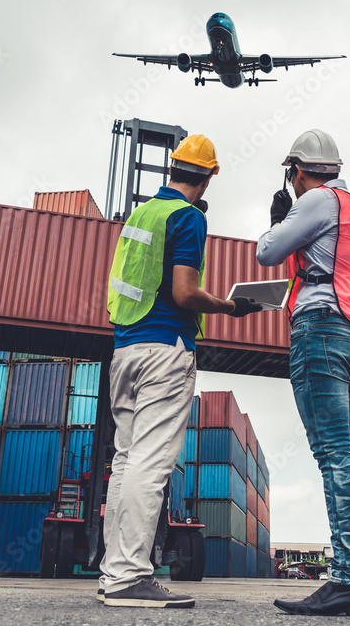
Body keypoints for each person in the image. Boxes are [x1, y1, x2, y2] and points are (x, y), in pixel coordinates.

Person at [101, 134, 261, 609]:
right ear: (210, 175)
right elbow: (185, 292)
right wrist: (232, 306)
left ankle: (113, 572)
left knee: (126, 461)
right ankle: (130, 578)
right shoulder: (188, 217)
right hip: (164, 349)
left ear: (172, 169)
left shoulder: (141, 214)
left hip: (124, 350)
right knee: (150, 464)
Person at [256, 129, 350, 617]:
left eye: (290, 175)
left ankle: (349, 581)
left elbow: (266, 253)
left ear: (297, 169)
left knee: (333, 456)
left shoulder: (314, 200)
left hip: (320, 328)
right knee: (342, 455)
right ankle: (349, 578)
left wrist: (275, 222)